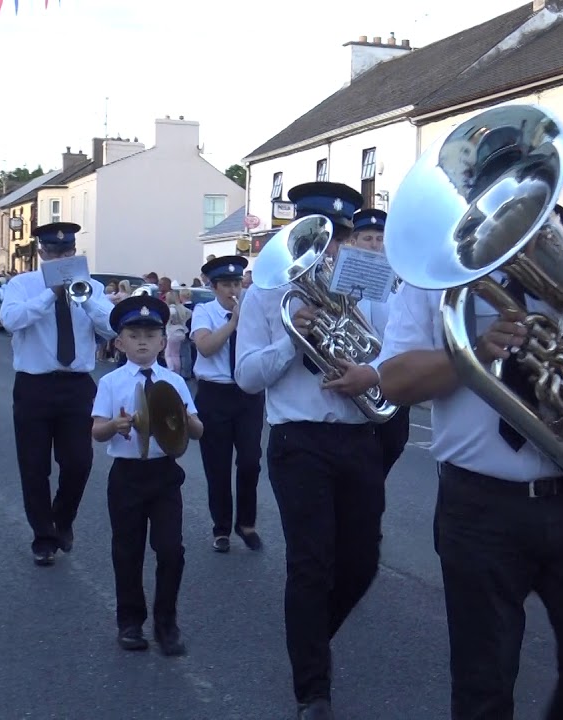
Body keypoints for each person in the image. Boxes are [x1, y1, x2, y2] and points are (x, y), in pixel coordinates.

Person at [378, 235, 563, 720]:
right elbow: (393, 379)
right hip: (478, 506)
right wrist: (468, 354)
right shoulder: (435, 273)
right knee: (484, 684)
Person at [235, 182, 388, 720]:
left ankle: (309, 642)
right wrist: (289, 338)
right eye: (317, 239)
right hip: (298, 440)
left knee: (363, 561)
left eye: (339, 238)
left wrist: (371, 366)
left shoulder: (373, 290)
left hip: (359, 435)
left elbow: (393, 357)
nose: (329, 250)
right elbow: (247, 377)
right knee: (310, 563)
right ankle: (313, 691)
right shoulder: (264, 294)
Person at [90, 294, 204, 655]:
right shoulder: (111, 382)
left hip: (164, 474)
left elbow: (198, 430)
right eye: (133, 334)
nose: (142, 341)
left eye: (151, 334)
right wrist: (116, 424)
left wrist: (186, 420)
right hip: (126, 476)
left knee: (171, 550)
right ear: (119, 342)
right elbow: (97, 431)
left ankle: (166, 623)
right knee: (128, 551)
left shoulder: (174, 381)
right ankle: (130, 622)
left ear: (162, 341)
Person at [0, 222, 116, 566]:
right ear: (42, 254)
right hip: (34, 385)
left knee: (79, 462)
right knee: (34, 466)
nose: (62, 258)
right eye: (55, 253)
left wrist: (87, 302)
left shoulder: (90, 287)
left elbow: (111, 327)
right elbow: (11, 319)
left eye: (68, 253)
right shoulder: (23, 285)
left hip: (77, 385)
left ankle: (62, 519)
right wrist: (50, 294)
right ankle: (43, 537)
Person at [192, 255, 266, 553]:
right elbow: (206, 348)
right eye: (226, 284)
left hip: (247, 394)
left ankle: (246, 523)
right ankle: (221, 527)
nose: (234, 290)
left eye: (237, 283)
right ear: (214, 287)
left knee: (250, 461)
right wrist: (233, 323)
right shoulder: (204, 311)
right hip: (214, 394)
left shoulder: (253, 312)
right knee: (218, 467)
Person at [345, 208, 411, 479]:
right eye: (368, 239)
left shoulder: (399, 279)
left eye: (379, 239)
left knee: (394, 442)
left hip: (390, 374)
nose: (374, 245)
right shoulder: (341, 278)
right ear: (354, 242)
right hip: (354, 373)